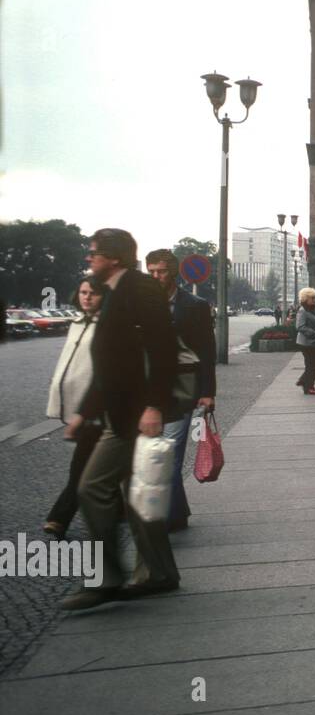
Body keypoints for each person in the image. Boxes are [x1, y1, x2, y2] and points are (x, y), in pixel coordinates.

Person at [61, 228, 179, 609]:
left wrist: (154, 406)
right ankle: (159, 574)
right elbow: (112, 363)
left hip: (133, 415)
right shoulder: (116, 291)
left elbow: (162, 351)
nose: (88, 259)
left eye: (93, 253)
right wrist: (85, 412)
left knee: (91, 487)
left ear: (114, 257)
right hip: (121, 411)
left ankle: (106, 578)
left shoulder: (140, 289)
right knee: (137, 498)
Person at [145, 249, 216, 534]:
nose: (155, 276)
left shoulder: (194, 305)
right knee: (155, 453)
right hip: (150, 388)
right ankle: (177, 511)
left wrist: (208, 392)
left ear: (173, 272)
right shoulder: (142, 304)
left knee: (170, 455)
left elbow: (207, 352)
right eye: (150, 271)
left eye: (160, 271)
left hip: (183, 387)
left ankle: (164, 518)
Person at [43, 277, 108, 538]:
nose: (87, 297)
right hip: (78, 407)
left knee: (82, 467)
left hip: (96, 409)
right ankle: (122, 511)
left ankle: (59, 518)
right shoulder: (77, 323)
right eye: (83, 292)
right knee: (96, 467)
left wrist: (84, 411)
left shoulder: (107, 325)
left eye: (93, 293)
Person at [295, 287, 315, 395]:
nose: (314, 300)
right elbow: (300, 326)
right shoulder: (302, 310)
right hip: (306, 343)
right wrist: (314, 333)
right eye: (312, 298)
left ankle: (304, 381)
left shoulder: (313, 309)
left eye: (314, 298)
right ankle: (308, 386)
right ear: (305, 298)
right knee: (312, 365)